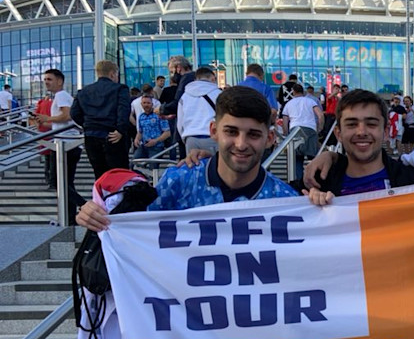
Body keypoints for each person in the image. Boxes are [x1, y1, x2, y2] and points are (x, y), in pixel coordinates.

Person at [76, 85, 298, 233]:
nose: (241, 144)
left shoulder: (287, 202)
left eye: (253, 134)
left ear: (270, 138)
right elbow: (135, 232)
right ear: (213, 131)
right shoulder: (178, 182)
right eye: (231, 132)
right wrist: (97, 217)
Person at [299, 88, 414, 204]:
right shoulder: (317, 183)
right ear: (338, 134)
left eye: (371, 124)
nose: (362, 132)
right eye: (352, 124)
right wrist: (308, 203)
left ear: (386, 132)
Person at [36, 68, 86, 213]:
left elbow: (67, 116)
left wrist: (48, 118)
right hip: (65, 142)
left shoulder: (61, 95)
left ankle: (83, 205)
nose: (46, 82)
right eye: (45, 80)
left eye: (49, 79)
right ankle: (70, 216)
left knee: (58, 181)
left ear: (59, 81)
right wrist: (43, 122)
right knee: (65, 182)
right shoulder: (61, 97)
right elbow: (62, 121)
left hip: (65, 144)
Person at [70, 59, 131, 178]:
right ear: (112, 73)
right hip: (112, 135)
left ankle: (101, 196)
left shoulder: (83, 92)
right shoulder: (120, 89)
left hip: (91, 135)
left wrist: (87, 125)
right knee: (119, 174)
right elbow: (123, 110)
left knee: (99, 174)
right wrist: (120, 129)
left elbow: (74, 113)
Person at [282, 82, 324, 180]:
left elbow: (285, 121)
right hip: (310, 129)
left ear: (293, 92)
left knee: (297, 159)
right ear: (303, 91)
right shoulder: (310, 101)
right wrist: (319, 128)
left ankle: (299, 183)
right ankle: (315, 180)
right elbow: (320, 115)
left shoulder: (289, 103)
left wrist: (286, 134)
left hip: (295, 131)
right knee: (313, 157)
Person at [177, 66, 222, 155]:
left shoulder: (185, 96)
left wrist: (184, 137)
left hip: (191, 138)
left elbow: (180, 122)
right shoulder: (218, 94)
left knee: (193, 167)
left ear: (196, 79)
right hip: (212, 137)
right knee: (213, 166)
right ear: (213, 78)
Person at [158, 55, 196, 159]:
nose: (171, 75)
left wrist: (161, 109)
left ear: (178, 68)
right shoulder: (193, 78)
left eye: (171, 71)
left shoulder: (185, 79)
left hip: (188, 130)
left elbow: (178, 103)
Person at [133, 94, 171, 159]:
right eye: (144, 103)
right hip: (144, 146)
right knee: (134, 162)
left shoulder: (159, 116)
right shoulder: (141, 117)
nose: (146, 105)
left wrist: (156, 141)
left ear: (152, 104)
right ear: (141, 104)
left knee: (153, 164)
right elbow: (140, 132)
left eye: (148, 103)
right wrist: (137, 139)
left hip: (156, 147)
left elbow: (168, 133)